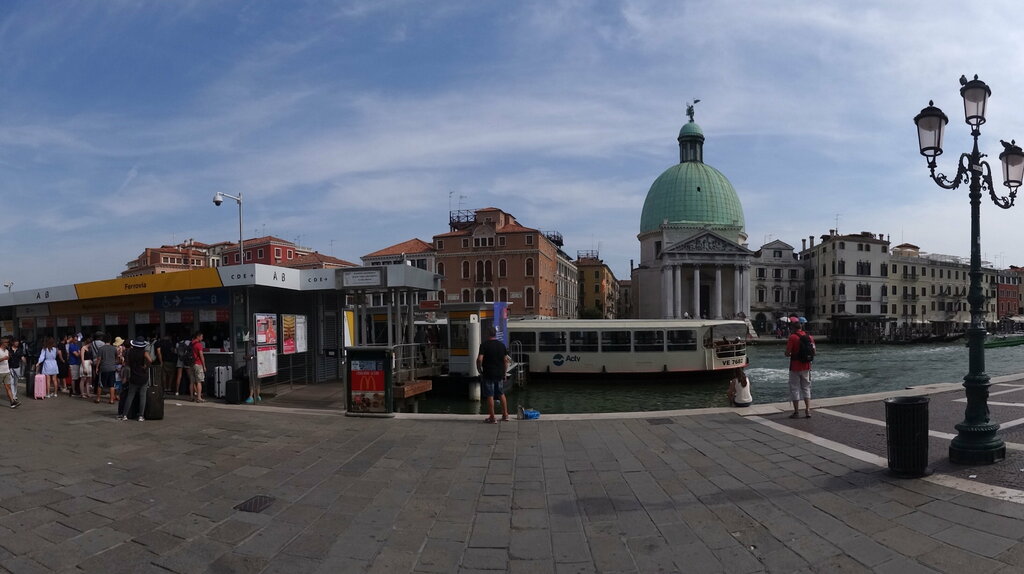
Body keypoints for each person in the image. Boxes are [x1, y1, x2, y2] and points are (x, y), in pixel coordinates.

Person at [476, 325, 510, 423]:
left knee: (490, 395)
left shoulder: (484, 345)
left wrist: (479, 369)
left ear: (487, 334)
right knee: (501, 393)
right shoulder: (501, 345)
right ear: (495, 334)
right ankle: (505, 415)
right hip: (499, 374)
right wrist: (504, 373)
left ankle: (492, 417)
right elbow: (506, 361)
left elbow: (479, 359)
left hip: (488, 373)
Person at [784, 316, 815, 418]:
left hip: (795, 366)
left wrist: (789, 353)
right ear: (801, 327)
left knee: (795, 388)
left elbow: (787, 353)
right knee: (806, 388)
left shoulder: (792, 337)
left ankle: (796, 412)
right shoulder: (809, 337)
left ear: (793, 328)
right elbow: (814, 352)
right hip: (806, 366)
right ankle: (808, 410)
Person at [120, 336, 152, 421]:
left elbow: (127, 363)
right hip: (143, 376)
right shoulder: (144, 352)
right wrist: (146, 367)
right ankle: (141, 416)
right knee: (142, 396)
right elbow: (150, 360)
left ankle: (125, 415)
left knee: (130, 395)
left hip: (133, 375)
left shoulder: (130, 352)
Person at [93, 333, 118, 405]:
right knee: (112, 385)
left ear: (103, 340)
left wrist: (97, 367)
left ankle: (98, 399)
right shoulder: (114, 348)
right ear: (110, 340)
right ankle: (111, 400)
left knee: (100, 384)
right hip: (112, 368)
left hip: (103, 368)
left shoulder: (101, 349)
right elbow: (116, 358)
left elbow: (99, 359)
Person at [1, 337, 19, 409]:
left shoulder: (7, 351)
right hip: (0, 372)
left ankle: (12, 402)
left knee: (8, 387)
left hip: (7, 371)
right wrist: (3, 358)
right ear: (2, 343)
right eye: (6, 342)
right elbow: (3, 359)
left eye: (8, 342)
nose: (8, 343)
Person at [191, 332, 206, 403]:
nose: (202, 338)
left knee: (192, 382)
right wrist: (204, 365)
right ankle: (199, 398)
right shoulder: (199, 345)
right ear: (198, 336)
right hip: (198, 364)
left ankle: (192, 397)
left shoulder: (191, 343)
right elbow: (201, 355)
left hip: (192, 364)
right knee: (199, 381)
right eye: (201, 336)